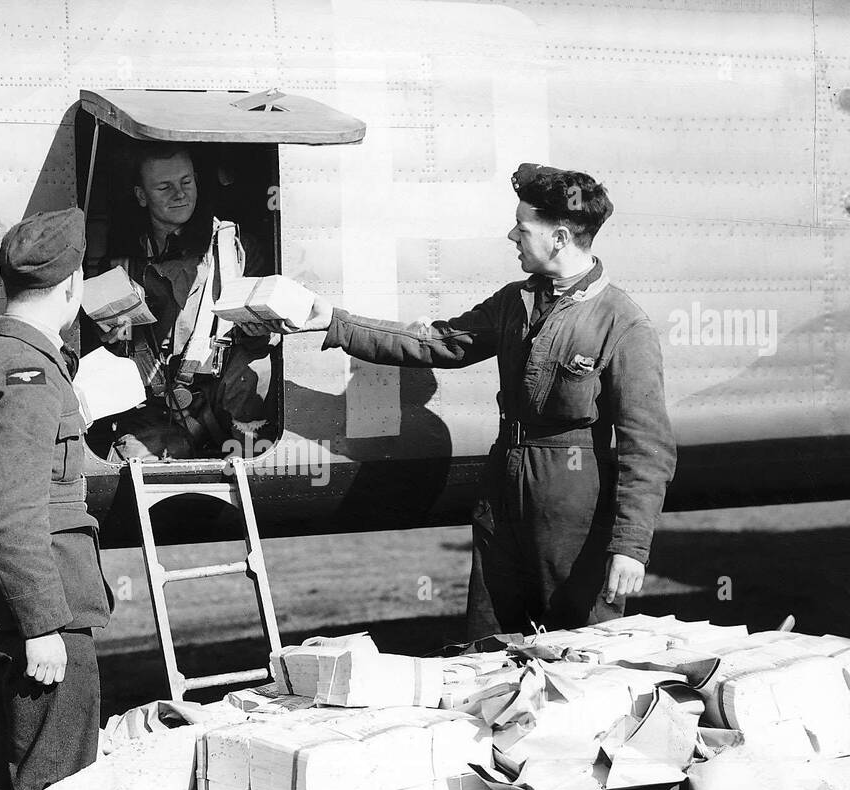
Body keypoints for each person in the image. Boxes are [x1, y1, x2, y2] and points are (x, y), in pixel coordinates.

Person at [293, 163, 676, 639]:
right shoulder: (513, 302)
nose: (512, 235)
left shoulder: (621, 323)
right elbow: (439, 342)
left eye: (522, 226)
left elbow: (648, 448)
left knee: (581, 647)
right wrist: (333, 321)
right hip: (503, 488)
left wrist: (630, 546)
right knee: (490, 640)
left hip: (573, 498)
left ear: (559, 237)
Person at [0, 208, 112, 790]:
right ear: (72, 288)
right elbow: (14, 513)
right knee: (57, 787)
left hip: (23, 606)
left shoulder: (6, 355)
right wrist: (42, 626)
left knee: (41, 777)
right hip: (37, 614)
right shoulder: (28, 374)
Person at [92, 143, 276, 460]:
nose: (180, 194)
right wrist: (109, 338)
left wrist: (262, 330)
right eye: (165, 187)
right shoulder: (122, 262)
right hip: (155, 408)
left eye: (186, 182)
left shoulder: (236, 249)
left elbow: (264, 338)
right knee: (128, 470)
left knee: (255, 367)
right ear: (141, 195)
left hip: (229, 400)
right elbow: (109, 347)